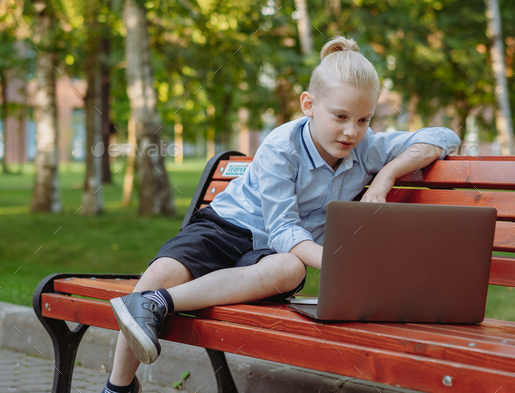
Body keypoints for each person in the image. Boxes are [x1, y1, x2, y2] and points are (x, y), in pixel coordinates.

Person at [101, 36, 460, 393]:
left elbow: (443, 137)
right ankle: (118, 386)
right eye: (340, 116)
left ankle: (156, 303)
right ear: (308, 104)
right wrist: (337, 262)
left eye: (364, 119)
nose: (352, 131)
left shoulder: (366, 149)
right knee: (161, 272)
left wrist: (386, 174)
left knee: (290, 268)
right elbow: (284, 228)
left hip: (272, 255)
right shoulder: (281, 146)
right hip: (226, 227)